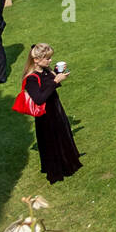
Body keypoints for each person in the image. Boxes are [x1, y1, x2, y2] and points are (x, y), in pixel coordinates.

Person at [20, 43, 82, 184]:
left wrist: (57, 72)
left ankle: (67, 164)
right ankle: (57, 170)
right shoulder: (30, 79)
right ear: (36, 60)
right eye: (47, 59)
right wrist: (55, 81)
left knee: (63, 136)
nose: (50, 61)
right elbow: (39, 98)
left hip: (56, 109)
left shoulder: (46, 70)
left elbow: (48, 84)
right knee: (52, 142)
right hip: (45, 117)